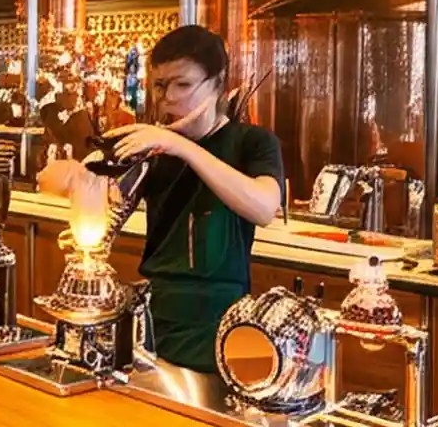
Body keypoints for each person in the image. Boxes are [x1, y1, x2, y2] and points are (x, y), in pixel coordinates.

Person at [39, 25, 284, 373]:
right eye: (159, 85)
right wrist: (74, 176)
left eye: (182, 84)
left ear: (217, 83)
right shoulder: (149, 148)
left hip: (218, 321)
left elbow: (263, 208)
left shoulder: (251, 142)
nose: (168, 98)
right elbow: (69, 182)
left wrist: (180, 147)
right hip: (152, 319)